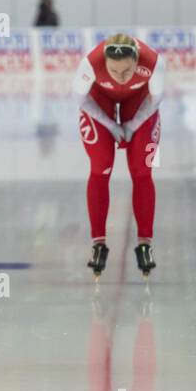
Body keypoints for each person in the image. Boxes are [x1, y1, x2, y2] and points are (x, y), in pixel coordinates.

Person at [73, 33, 165, 278]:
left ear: (137, 62)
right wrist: (111, 126)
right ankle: (98, 243)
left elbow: (156, 100)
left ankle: (145, 242)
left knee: (143, 171)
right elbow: (80, 99)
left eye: (127, 72)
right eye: (113, 71)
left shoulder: (154, 62)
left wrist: (133, 125)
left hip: (140, 104)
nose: (120, 77)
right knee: (100, 166)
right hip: (98, 102)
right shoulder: (90, 64)